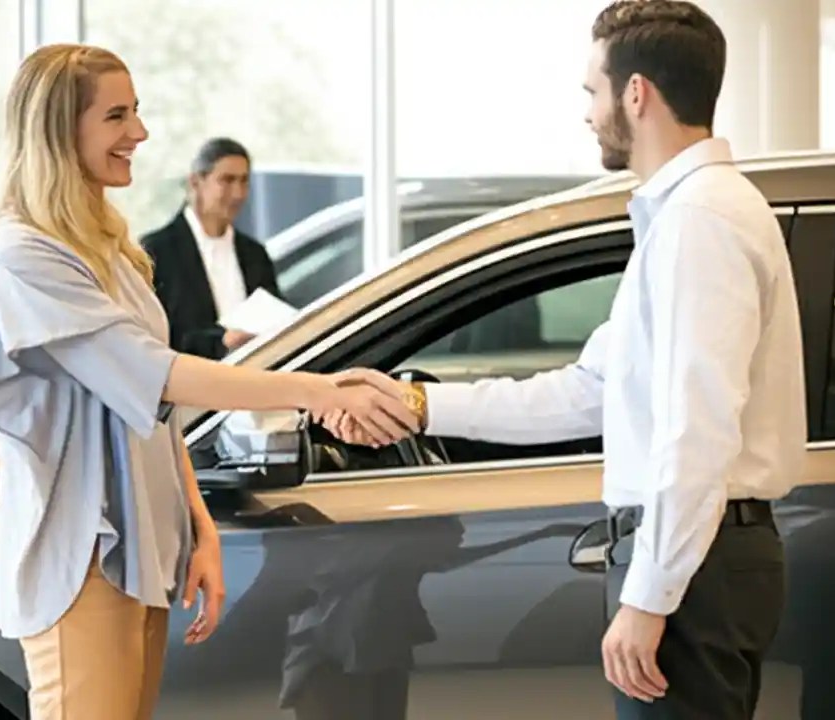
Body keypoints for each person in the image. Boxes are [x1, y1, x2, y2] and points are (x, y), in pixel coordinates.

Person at [319, 2, 806, 718]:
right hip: (693, 559)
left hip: (693, 565)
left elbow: (697, 429)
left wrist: (649, 595)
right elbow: (587, 392)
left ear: (636, 93)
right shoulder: (686, 216)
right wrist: (418, 406)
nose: (588, 111)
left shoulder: (701, 219)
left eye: (592, 91)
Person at [0, 44, 418, 720]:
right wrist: (312, 389)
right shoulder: (21, 252)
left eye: (136, 112)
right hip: (80, 554)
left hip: (135, 546)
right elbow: (157, 373)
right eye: (117, 115)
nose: (139, 133)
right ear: (58, 130)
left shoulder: (104, 244)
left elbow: (152, 412)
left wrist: (198, 526)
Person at [142, 138, 282, 359]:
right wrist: (222, 340)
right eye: (227, 180)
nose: (238, 193)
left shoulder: (255, 254)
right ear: (196, 182)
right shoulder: (156, 251)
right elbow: (151, 337)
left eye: (244, 181)